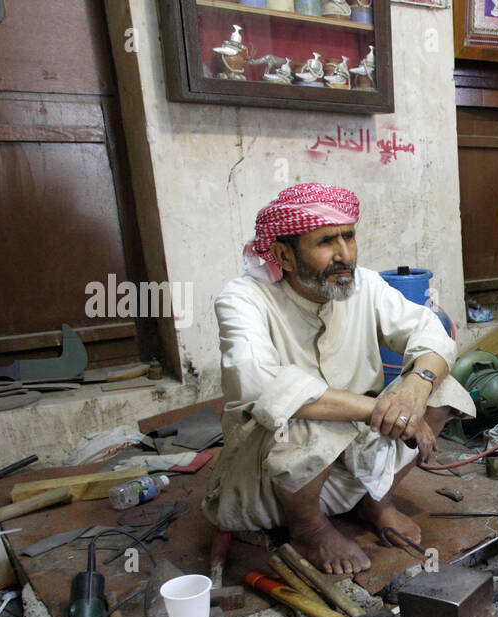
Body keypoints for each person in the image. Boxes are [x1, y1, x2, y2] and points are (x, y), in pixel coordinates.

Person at [202, 183, 474, 574]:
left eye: (348, 236)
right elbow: (259, 385)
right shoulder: (243, 298)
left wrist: (416, 387)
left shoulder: (365, 284)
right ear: (284, 255)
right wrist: (376, 408)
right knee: (308, 419)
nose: (344, 253)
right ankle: (309, 528)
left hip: (352, 455)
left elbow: (428, 330)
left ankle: (375, 501)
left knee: (442, 388)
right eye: (326, 241)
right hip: (272, 475)